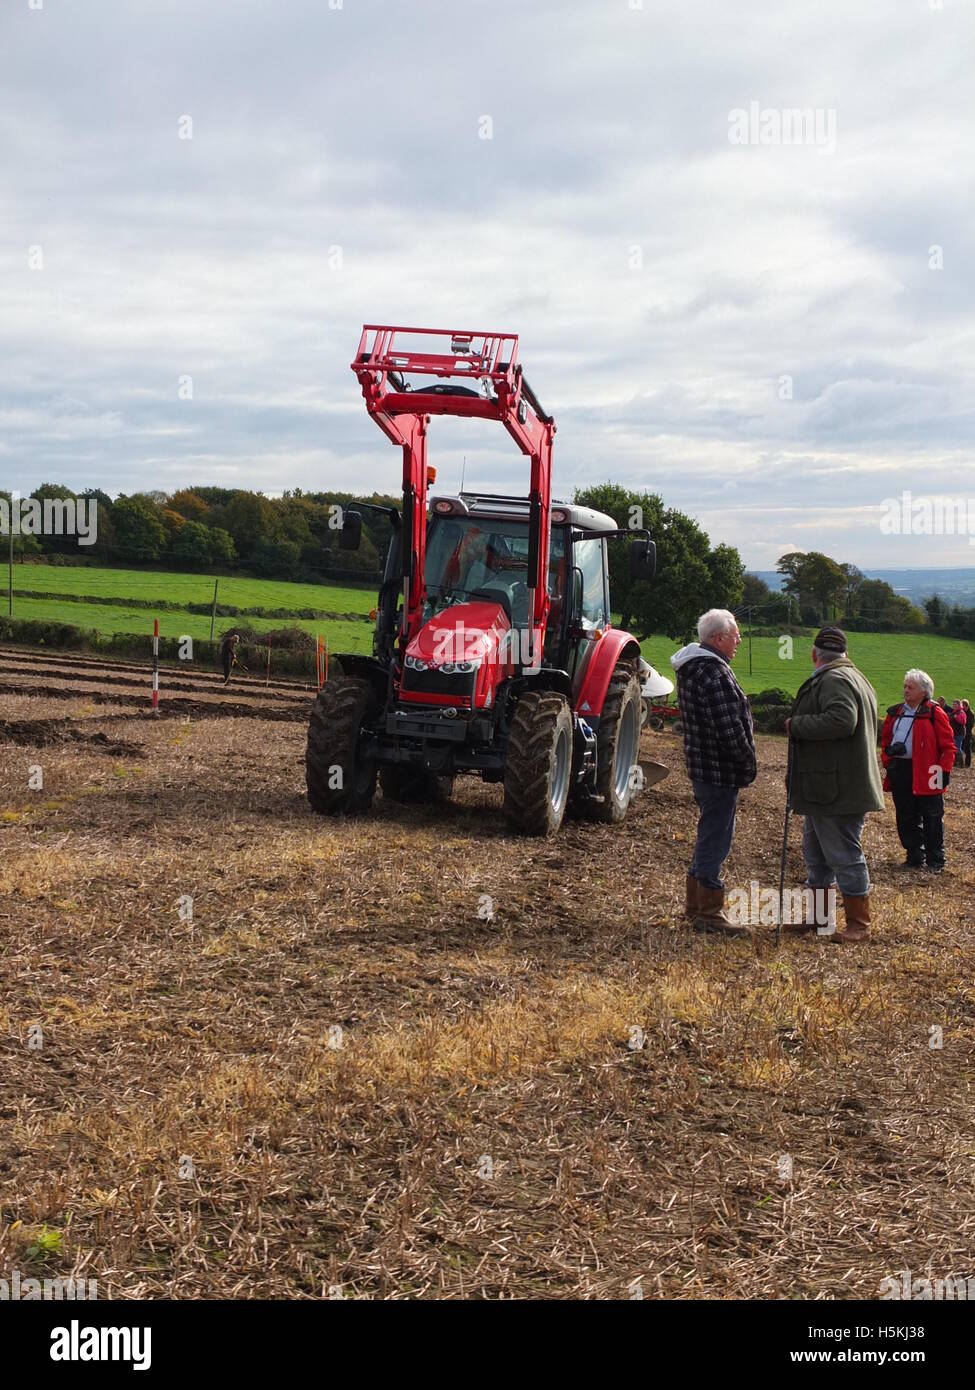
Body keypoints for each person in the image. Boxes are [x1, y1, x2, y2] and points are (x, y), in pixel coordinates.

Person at [783, 627, 884, 945]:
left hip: (836, 787)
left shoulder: (834, 679)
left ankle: (859, 924)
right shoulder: (854, 676)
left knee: (843, 854)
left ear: (815, 655)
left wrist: (795, 725)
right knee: (816, 853)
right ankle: (819, 918)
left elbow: (842, 719)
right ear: (845, 653)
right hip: (829, 785)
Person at [671, 609, 756, 937]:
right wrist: (748, 763)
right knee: (716, 836)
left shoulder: (696, 668)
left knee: (711, 831)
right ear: (718, 638)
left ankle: (696, 906)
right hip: (719, 769)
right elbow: (729, 728)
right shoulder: (714, 673)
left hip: (704, 766)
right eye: (735, 637)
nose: (738, 642)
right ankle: (708, 910)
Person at [879, 669, 956, 873]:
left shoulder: (934, 712)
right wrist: (888, 761)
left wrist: (943, 772)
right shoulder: (895, 712)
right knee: (905, 815)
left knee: (932, 816)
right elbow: (885, 741)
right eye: (905, 686)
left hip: (931, 771)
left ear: (924, 692)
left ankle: (935, 860)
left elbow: (948, 746)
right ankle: (914, 855)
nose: (905, 690)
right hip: (900, 769)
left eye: (910, 687)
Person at [963, 698, 973, 769]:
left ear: (966, 706)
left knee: (967, 748)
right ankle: (964, 762)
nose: (962, 707)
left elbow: (970, 724)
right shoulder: (963, 712)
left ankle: (968, 763)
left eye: (963, 705)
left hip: (968, 733)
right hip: (964, 732)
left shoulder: (971, 713)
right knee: (964, 747)